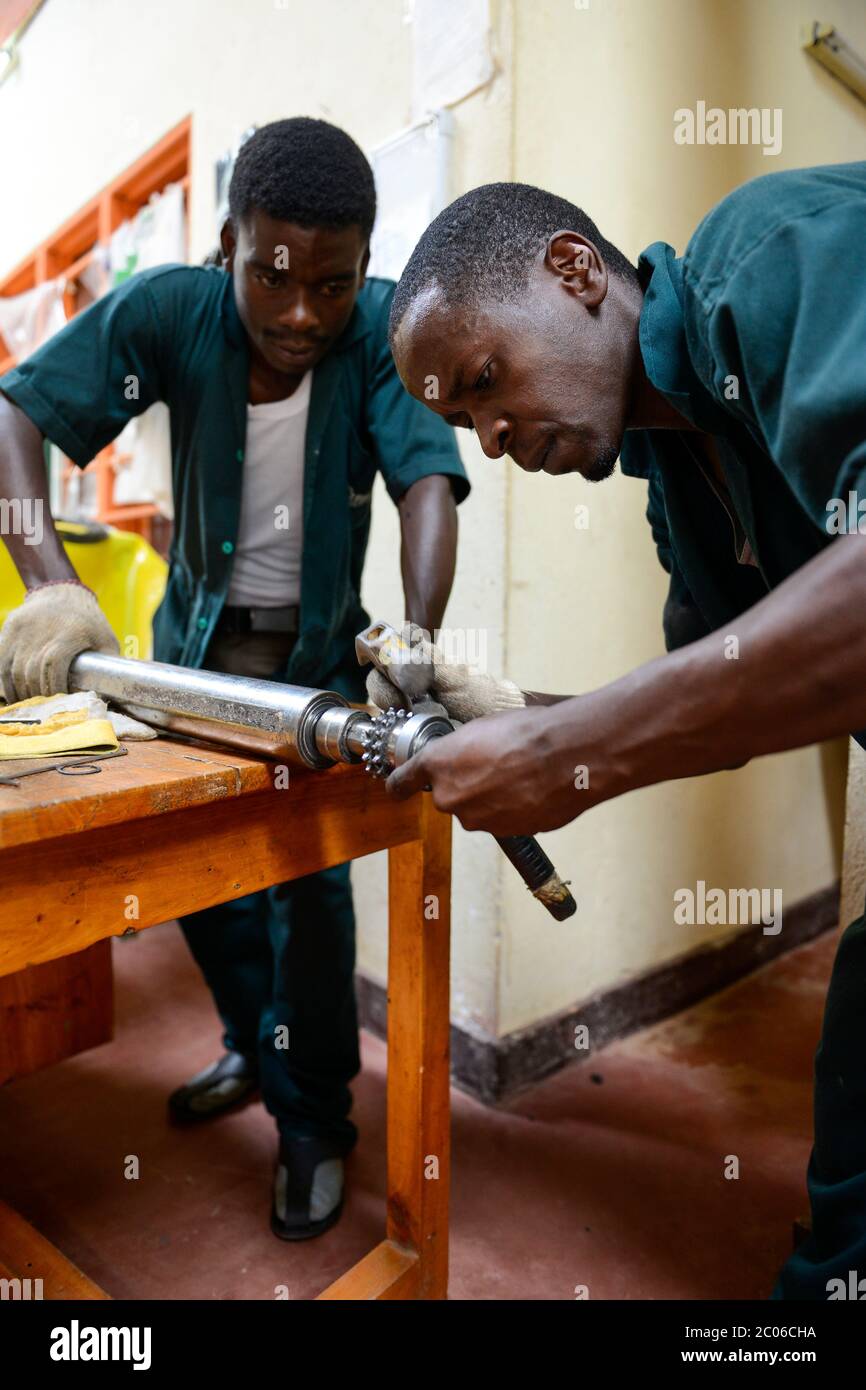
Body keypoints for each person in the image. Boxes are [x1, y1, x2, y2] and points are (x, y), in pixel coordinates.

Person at [367, 164, 866, 1298]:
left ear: (575, 271)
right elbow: (726, 704)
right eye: (460, 421)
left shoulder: (763, 258)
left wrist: (563, 758)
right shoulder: (674, 474)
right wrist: (507, 711)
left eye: (486, 382)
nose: (488, 438)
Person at [0, 117, 468, 1239]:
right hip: (186, 668)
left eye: (332, 282)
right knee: (203, 889)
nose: (302, 310)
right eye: (273, 273)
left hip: (317, 668)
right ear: (228, 244)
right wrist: (55, 590)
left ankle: (311, 1123)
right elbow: (13, 416)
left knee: (310, 900)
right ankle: (250, 1050)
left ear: (362, 269)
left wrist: (414, 633)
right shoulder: (169, 310)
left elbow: (426, 487)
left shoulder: (379, 335)